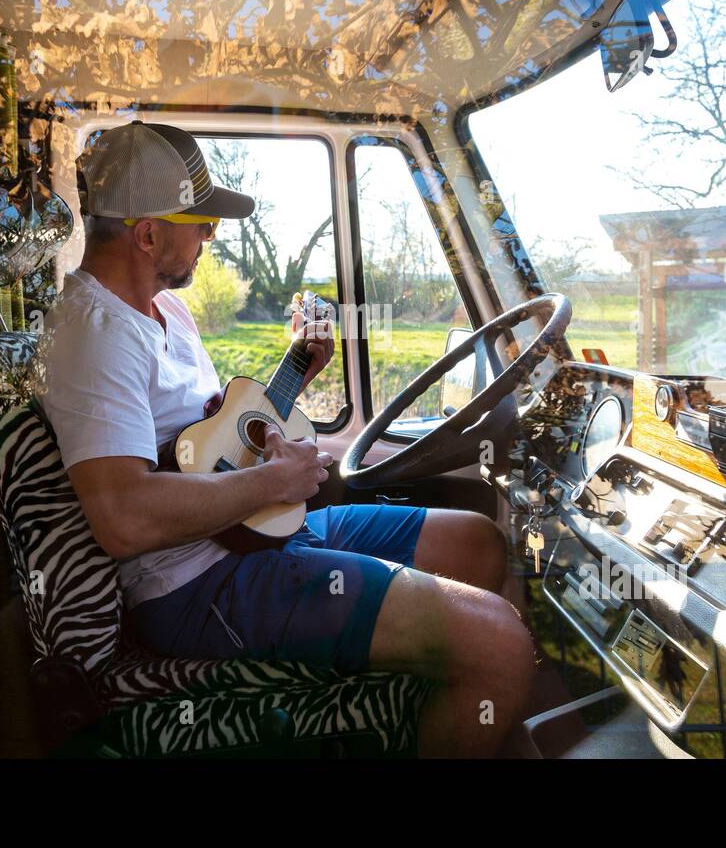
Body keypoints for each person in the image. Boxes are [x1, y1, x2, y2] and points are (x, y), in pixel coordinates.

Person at [39, 121, 534, 757]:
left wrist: (297, 371)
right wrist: (277, 480)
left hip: (253, 535)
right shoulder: (93, 333)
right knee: (503, 645)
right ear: (147, 233)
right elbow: (124, 519)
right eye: (203, 225)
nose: (211, 240)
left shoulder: (168, 309)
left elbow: (215, 448)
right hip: (196, 584)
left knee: (479, 544)